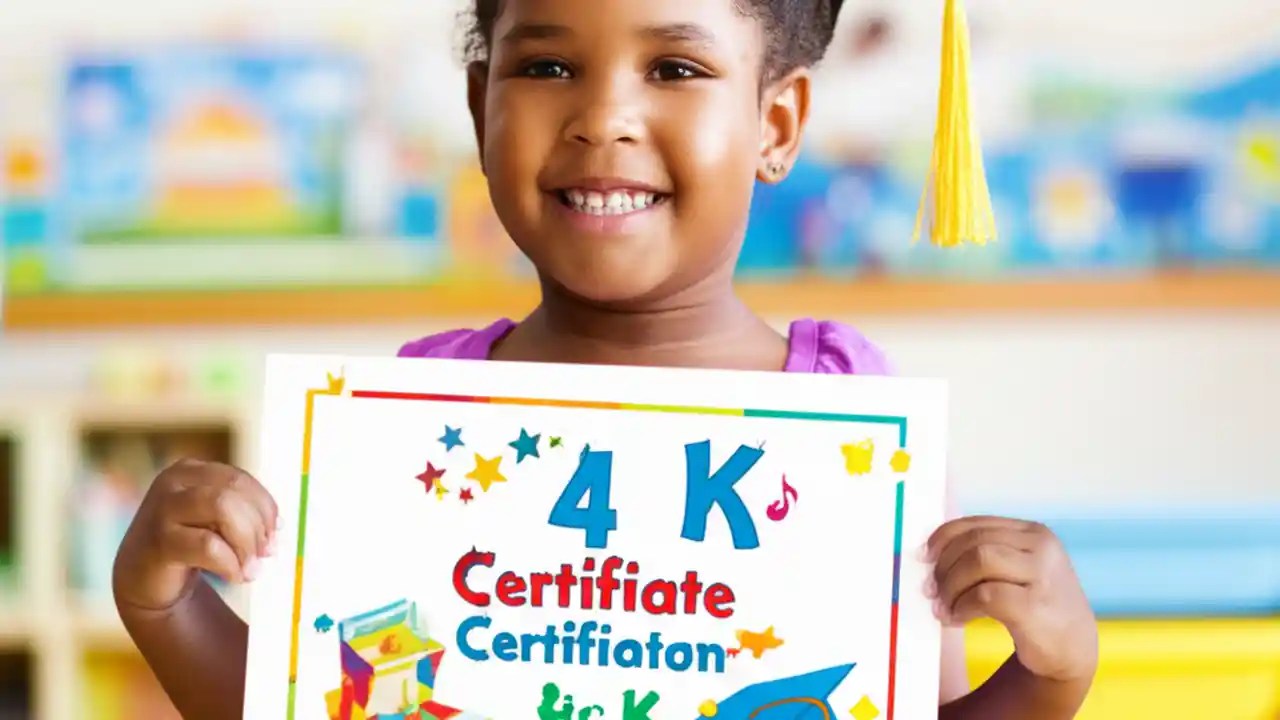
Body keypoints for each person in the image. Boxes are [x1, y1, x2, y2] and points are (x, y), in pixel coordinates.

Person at [112, 1, 1098, 718]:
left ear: (776, 123)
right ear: (478, 104)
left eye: (672, 70)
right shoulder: (419, 403)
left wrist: (1048, 673)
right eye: (544, 68)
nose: (601, 118)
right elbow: (328, 699)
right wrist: (162, 603)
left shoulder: (847, 413)